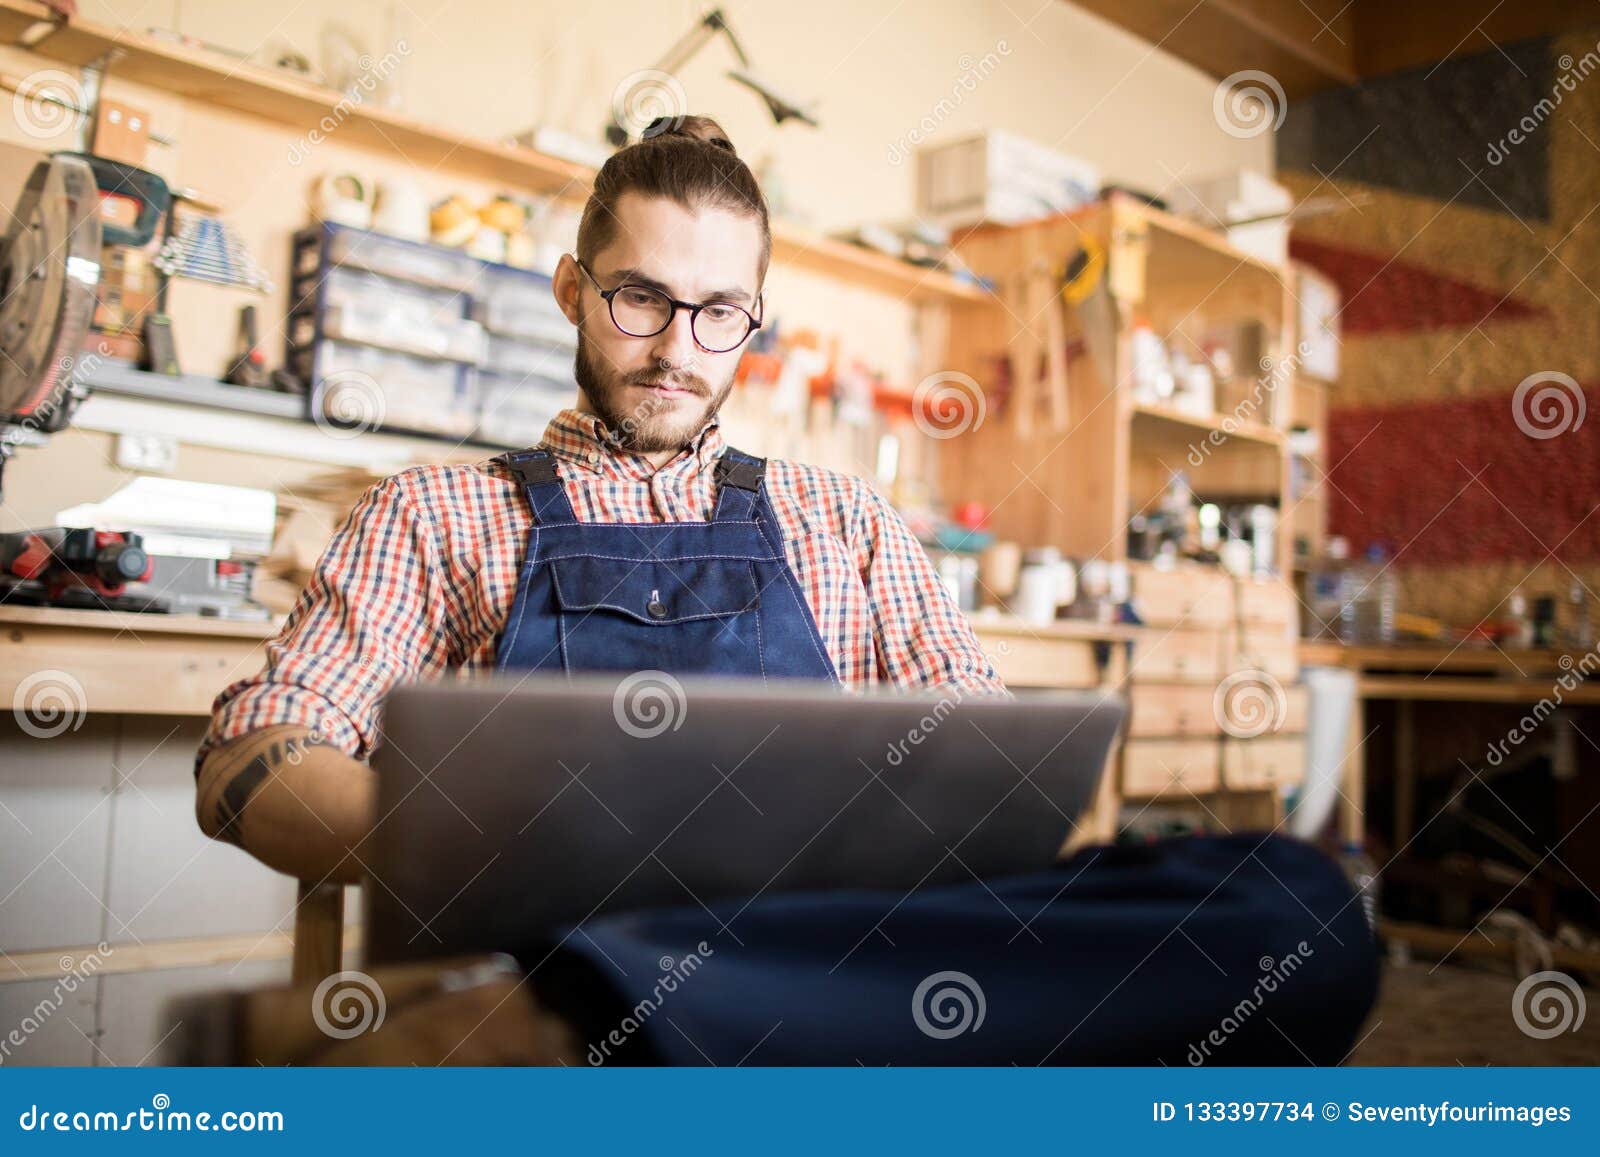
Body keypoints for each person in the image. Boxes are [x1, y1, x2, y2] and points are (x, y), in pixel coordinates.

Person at [195, 115, 1377, 1065]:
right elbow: (252, 753)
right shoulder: (436, 512)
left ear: (754, 320)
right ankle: (556, 1026)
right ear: (570, 289)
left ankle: (547, 1045)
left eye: (719, 313)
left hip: (834, 955)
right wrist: (481, 848)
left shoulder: (843, 520)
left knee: (1293, 902)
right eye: (639, 298)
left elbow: (992, 771)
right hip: (571, 945)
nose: (677, 348)